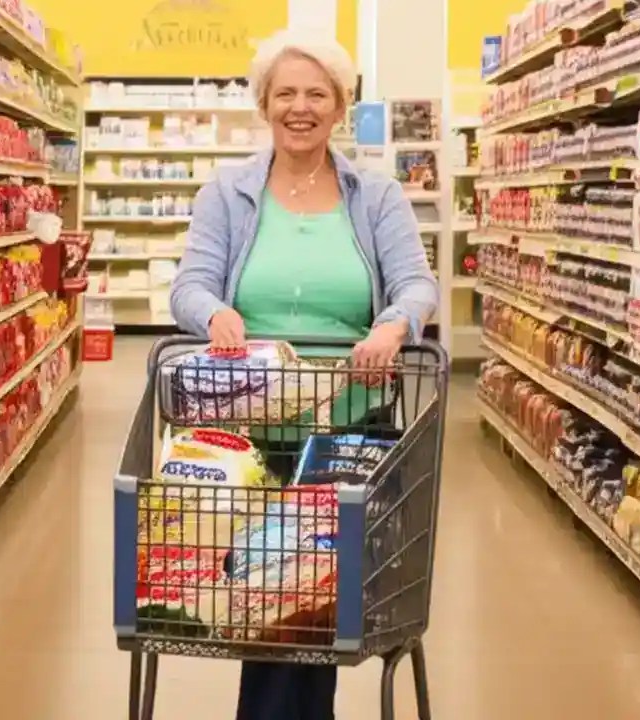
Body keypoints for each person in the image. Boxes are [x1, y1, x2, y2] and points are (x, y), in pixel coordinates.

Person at [169, 28, 438, 720]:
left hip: (347, 436)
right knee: (276, 601)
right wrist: (214, 313)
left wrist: (392, 326)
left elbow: (415, 284)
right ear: (264, 103)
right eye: (285, 92)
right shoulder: (227, 192)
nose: (300, 106)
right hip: (249, 443)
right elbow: (189, 286)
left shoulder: (374, 195)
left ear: (340, 106)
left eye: (317, 93)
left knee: (303, 604)